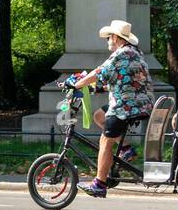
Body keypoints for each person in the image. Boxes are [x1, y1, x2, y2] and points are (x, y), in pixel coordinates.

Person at [66, 20, 154, 198]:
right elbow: (122, 80)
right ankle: (127, 149)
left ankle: (99, 183)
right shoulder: (135, 52)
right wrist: (95, 88)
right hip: (139, 103)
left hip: (126, 106)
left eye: (108, 37)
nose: (107, 40)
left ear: (115, 37)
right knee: (99, 115)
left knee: (105, 141)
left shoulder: (121, 54)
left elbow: (99, 72)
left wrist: (77, 84)